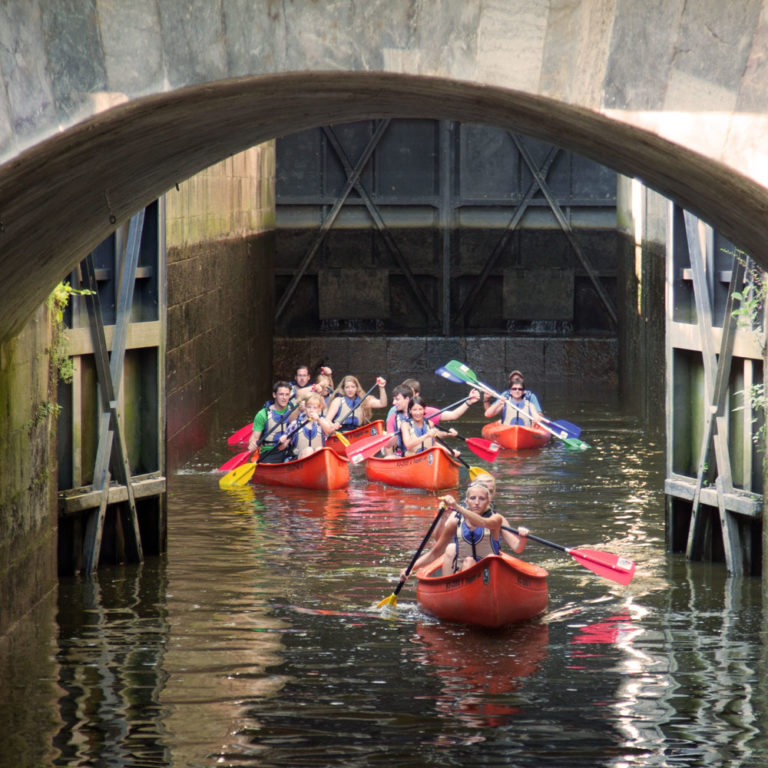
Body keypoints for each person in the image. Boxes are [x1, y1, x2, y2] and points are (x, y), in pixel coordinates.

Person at [400, 483, 528, 579]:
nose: (476, 502)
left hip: (489, 574)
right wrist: (410, 568)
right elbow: (435, 552)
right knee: (458, 553)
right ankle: (451, 588)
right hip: (463, 572)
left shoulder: (496, 519)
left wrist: (522, 538)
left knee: (483, 559)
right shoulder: (456, 521)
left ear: (488, 502)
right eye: (472, 498)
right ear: (467, 501)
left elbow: (483, 523)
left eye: (481, 499)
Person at [387, 378, 481, 432]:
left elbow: (453, 415)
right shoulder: (394, 413)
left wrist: (468, 402)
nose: (394, 402)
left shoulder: (425, 411)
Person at [247, 381, 298, 462]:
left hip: (289, 449)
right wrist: (252, 444)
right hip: (270, 451)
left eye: (287, 394)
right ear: (274, 395)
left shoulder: (295, 409)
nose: (284, 398)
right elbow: (254, 437)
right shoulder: (263, 414)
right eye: (281, 394)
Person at [285, 392, 336, 459]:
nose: (311, 410)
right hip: (298, 459)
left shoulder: (322, 422)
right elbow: (283, 446)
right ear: (305, 408)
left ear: (319, 409)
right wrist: (283, 440)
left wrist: (318, 419)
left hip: (318, 459)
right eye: (309, 407)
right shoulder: (295, 424)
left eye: (315, 408)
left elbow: (330, 432)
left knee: (319, 449)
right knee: (308, 450)